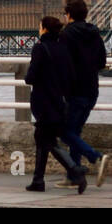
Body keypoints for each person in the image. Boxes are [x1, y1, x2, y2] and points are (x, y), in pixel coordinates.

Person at [23, 15, 87, 193]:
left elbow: (31, 77)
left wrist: (31, 76)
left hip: (44, 103)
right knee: (44, 140)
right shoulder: (63, 49)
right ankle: (38, 180)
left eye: (39, 26)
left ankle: (76, 170)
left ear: (44, 29)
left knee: (48, 142)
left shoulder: (40, 48)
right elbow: (71, 77)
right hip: (60, 103)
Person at [58, 0, 110, 187]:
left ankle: (95, 157)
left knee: (64, 132)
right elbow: (102, 62)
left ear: (69, 15)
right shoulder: (95, 33)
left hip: (75, 91)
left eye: (65, 14)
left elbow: (63, 64)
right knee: (75, 132)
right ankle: (74, 175)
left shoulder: (66, 35)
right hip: (92, 90)